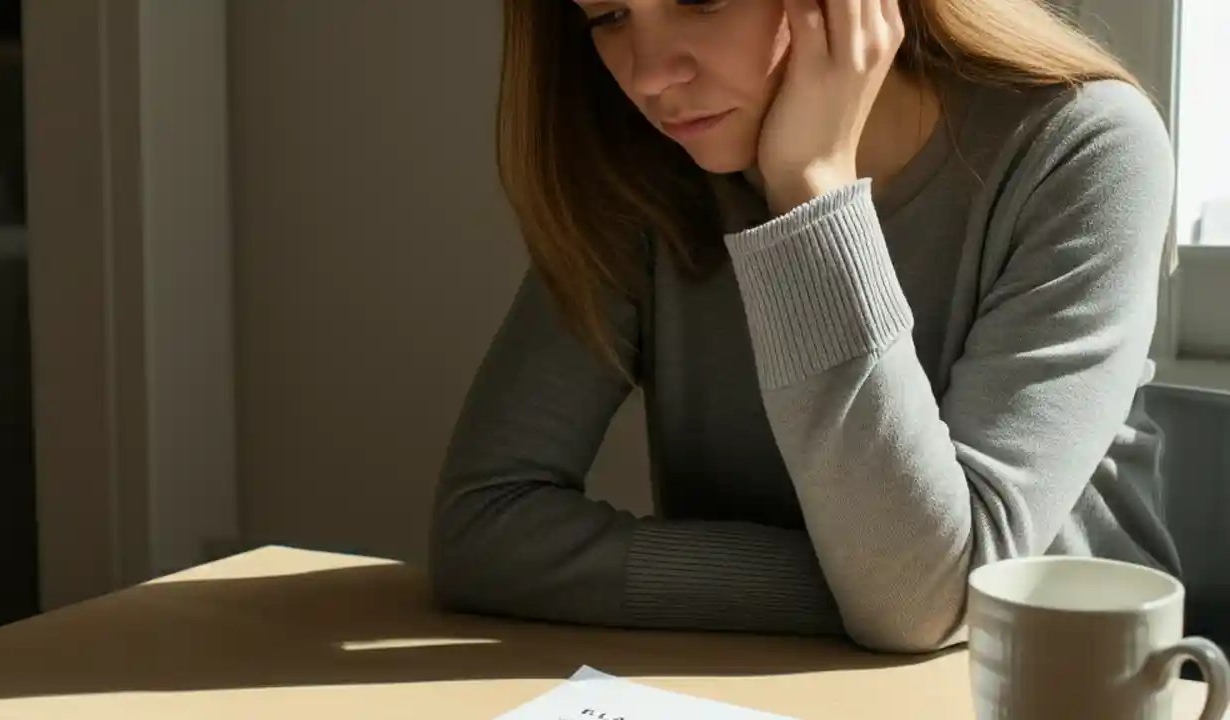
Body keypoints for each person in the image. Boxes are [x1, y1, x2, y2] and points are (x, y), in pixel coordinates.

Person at [428, 0, 1181, 653]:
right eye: (608, 16)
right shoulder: (646, 178)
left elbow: (924, 604)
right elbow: (481, 527)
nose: (650, 74)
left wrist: (812, 186)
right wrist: (886, 584)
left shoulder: (1086, 149)